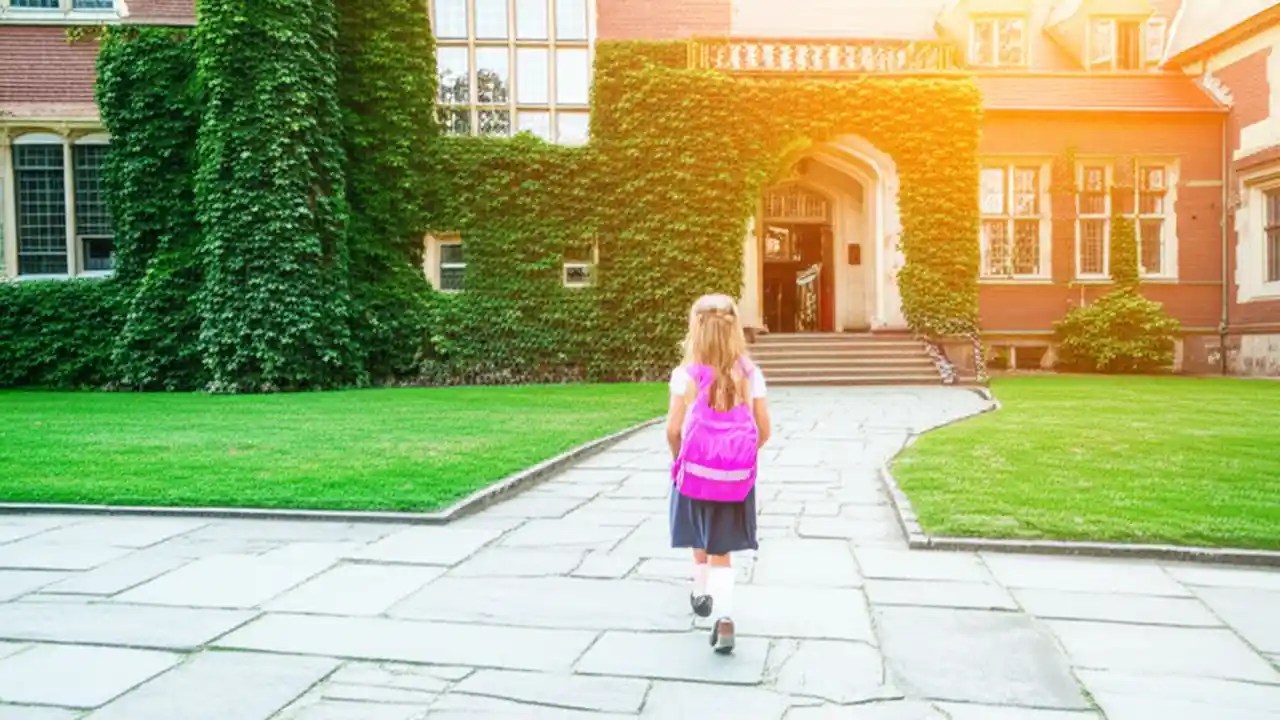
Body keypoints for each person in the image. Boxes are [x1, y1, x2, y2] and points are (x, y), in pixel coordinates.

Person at [666, 293, 772, 654]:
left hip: (695, 472)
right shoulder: (750, 375)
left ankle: (700, 591)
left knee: (697, 532)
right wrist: (737, 459)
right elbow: (764, 430)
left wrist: (679, 460)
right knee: (721, 548)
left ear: (695, 330)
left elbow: (673, 429)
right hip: (734, 481)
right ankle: (724, 620)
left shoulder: (685, 376)